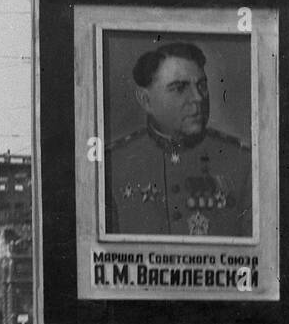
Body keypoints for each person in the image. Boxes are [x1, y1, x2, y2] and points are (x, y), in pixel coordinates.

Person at [105, 41, 250, 238]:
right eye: (180, 88)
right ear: (146, 100)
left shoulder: (243, 162)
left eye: (202, 86)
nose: (198, 98)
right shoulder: (112, 164)